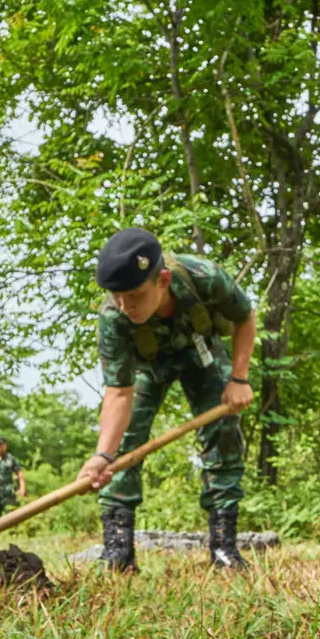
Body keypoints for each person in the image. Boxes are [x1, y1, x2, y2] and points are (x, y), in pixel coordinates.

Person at [76, 228, 257, 573]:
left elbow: (245, 317)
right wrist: (103, 454)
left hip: (202, 355)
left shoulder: (205, 277)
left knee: (224, 432)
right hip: (147, 366)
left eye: (134, 295)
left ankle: (223, 547)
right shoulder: (113, 318)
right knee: (124, 444)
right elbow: (118, 392)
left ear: (162, 280)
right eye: (117, 297)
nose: (125, 306)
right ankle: (118, 552)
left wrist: (239, 378)